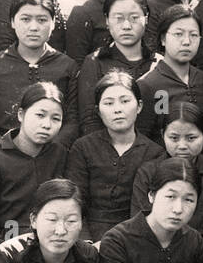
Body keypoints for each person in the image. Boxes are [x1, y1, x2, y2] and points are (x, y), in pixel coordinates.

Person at [131, 102, 203, 263]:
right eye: (174, 138)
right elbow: (139, 226)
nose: (182, 146)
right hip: (157, 262)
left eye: (191, 138)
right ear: (163, 135)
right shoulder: (148, 172)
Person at [0, 82, 68, 261]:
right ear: (21, 114)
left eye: (56, 118)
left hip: (51, 247)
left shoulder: (59, 154)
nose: (47, 124)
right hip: (6, 246)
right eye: (39, 115)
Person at [0, 0, 78, 147]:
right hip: (2, 154)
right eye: (25, 19)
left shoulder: (68, 67)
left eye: (42, 20)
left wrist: (49, 151)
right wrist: (7, 150)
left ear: (53, 23)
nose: (33, 27)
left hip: (52, 155)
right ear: (12, 22)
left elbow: (73, 122)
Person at [65, 70, 166, 240]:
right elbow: (74, 201)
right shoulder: (83, 148)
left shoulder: (155, 153)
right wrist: (85, 243)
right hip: (87, 236)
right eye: (109, 103)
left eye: (125, 101)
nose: (118, 109)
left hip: (134, 237)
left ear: (139, 106)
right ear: (98, 111)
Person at [69, 0, 157, 137]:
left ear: (146, 19)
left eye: (134, 18)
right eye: (118, 18)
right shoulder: (95, 63)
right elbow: (89, 120)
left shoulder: (158, 64)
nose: (126, 26)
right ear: (107, 21)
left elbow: (163, 116)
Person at [136, 3, 203, 141]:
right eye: (178, 34)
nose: (186, 42)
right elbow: (143, 139)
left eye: (193, 35)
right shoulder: (148, 85)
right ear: (163, 38)